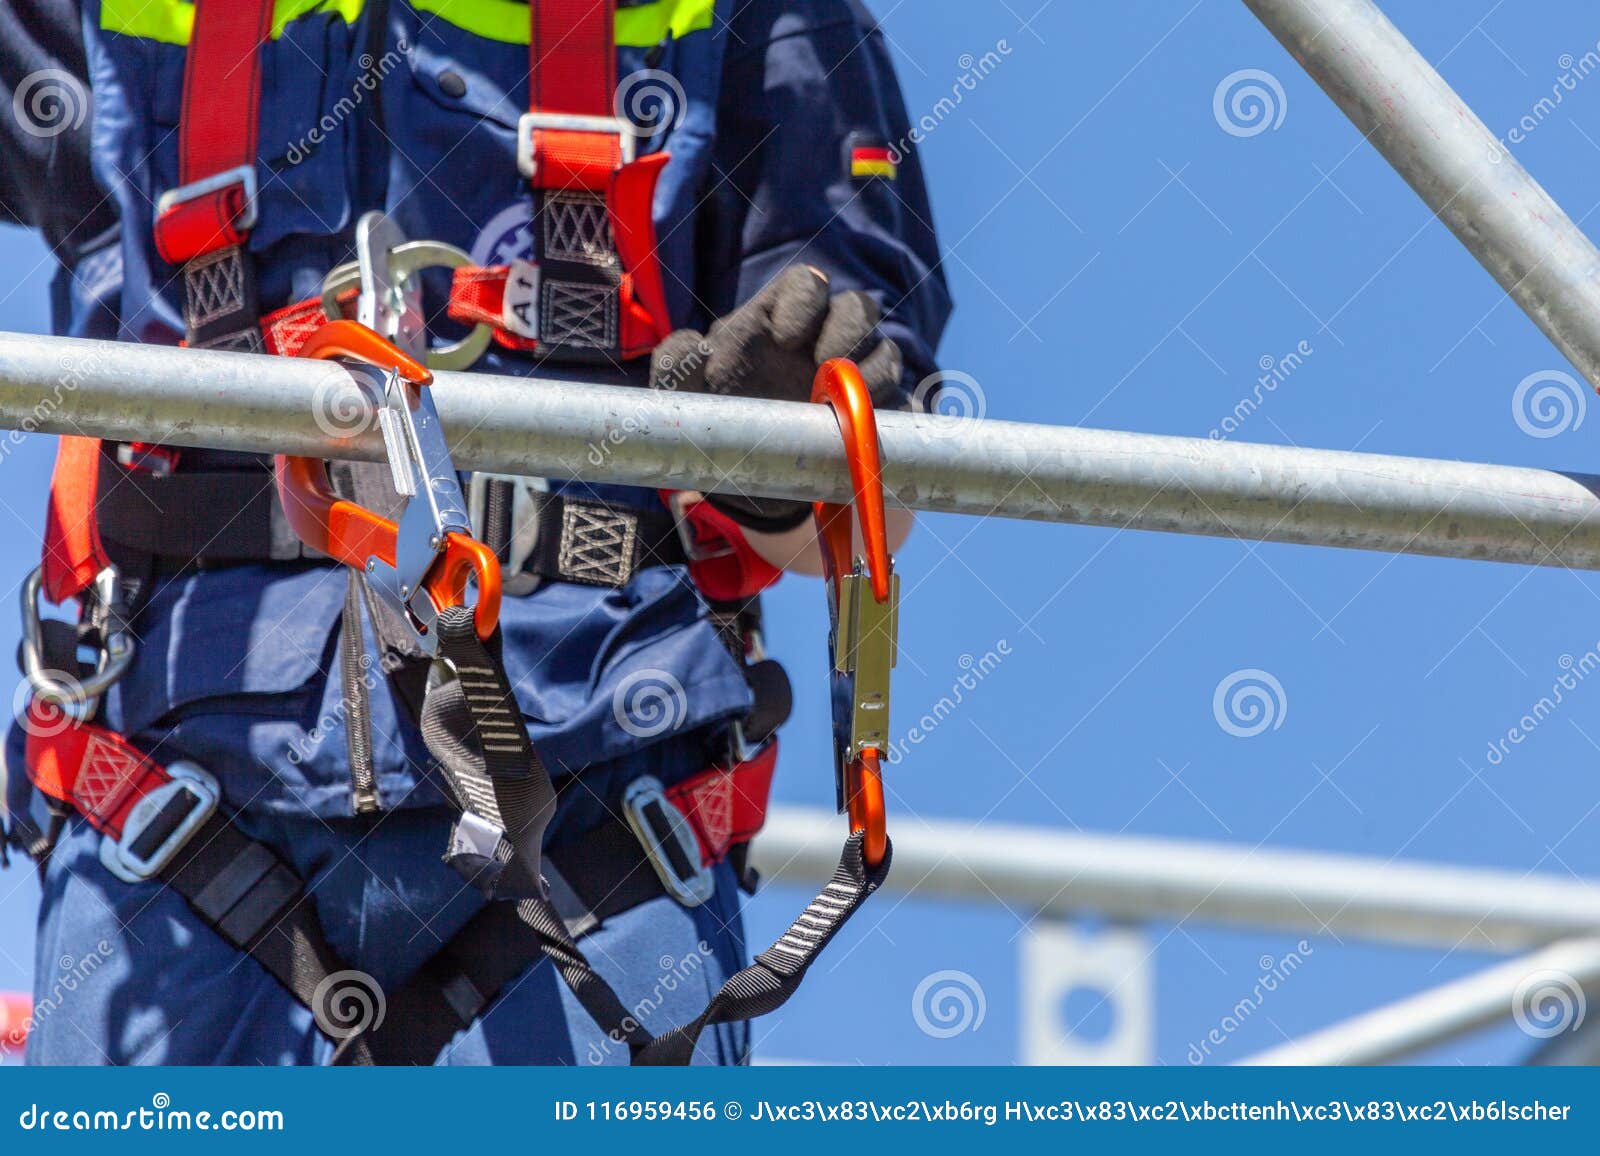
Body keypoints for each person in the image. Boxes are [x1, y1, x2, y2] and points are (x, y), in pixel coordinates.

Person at [0, 0, 948, 1065]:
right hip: (162, 816)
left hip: (598, 815)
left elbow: (869, 503)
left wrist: (780, 451)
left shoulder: (754, 19)